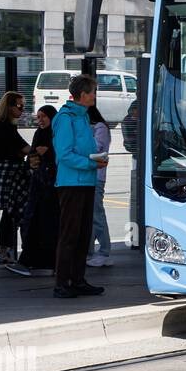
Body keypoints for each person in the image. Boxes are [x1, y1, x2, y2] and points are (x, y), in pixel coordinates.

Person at [51, 76, 106, 299]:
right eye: (92, 92)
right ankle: (62, 283)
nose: (94, 95)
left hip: (85, 181)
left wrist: (95, 160)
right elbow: (64, 154)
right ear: (82, 95)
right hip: (72, 183)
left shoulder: (81, 117)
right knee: (70, 234)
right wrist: (92, 163)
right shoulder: (66, 118)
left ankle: (77, 279)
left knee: (83, 234)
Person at [0, 91, 31, 276]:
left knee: (9, 213)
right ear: (10, 107)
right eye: (19, 106)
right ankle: (5, 253)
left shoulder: (0, 126)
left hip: (3, 173)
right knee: (11, 212)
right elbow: (25, 148)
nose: (22, 109)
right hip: (10, 173)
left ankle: (4, 252)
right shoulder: (5, 128)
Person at [18, 105, 59, 274]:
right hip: (37, 186)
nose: (40, 120)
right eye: (38, 117)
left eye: (44, 117)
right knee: (32, 222)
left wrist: (48, 152)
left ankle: (49, 262)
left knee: (49, 224)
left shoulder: (56, 135)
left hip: (52, 187)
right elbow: (31, 158)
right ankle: (31, 260)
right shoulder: (39, 133)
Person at [86, 104, 113, 267]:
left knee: (97, 214)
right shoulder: (93, 127)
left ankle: (104, 251)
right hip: (88, 175)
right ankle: (89, 252)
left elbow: (97, 148)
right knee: (90, 215)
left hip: (96, 176)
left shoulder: (100, 127)